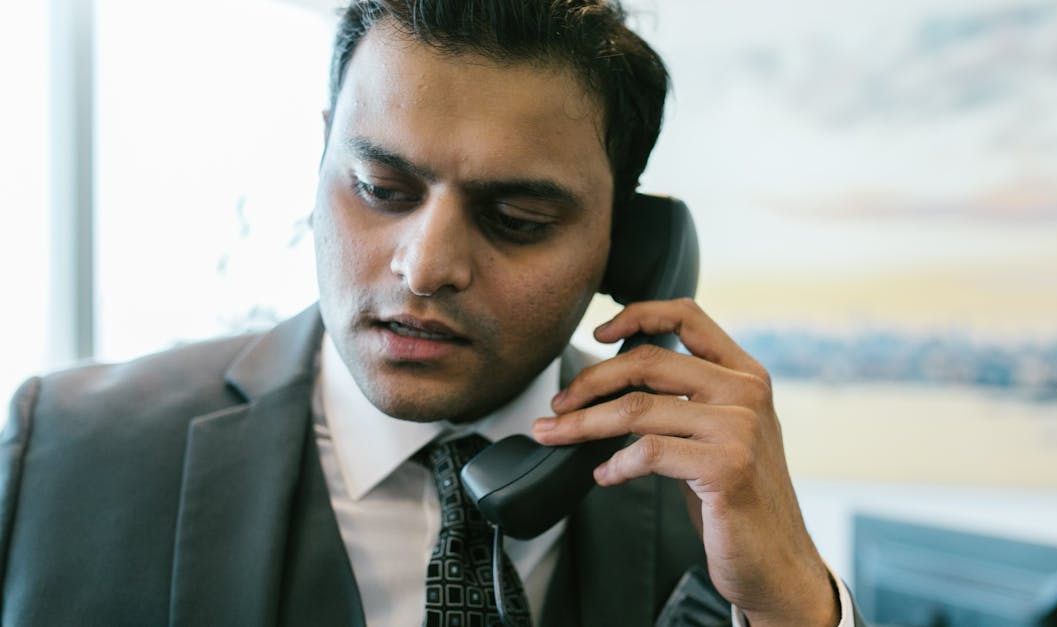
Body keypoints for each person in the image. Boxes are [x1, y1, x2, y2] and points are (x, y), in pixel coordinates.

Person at [0, 1, 865, 625]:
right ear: (322, 154)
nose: (425, 265)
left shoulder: (705, 505)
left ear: (631, 246)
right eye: (380, 189)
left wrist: (794, 608)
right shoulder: (63, 452)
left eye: (517, 220)